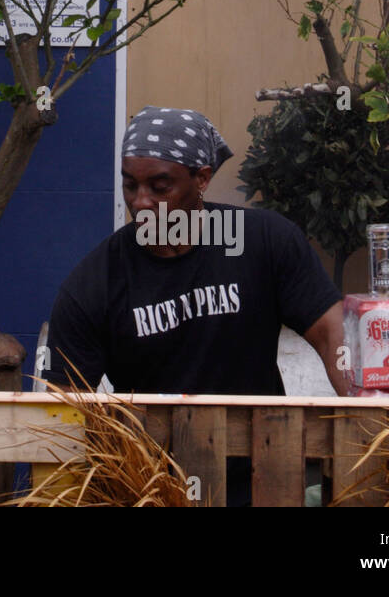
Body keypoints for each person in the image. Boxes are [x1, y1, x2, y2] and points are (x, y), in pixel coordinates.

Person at [44, 106, 348, 502]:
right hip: (153, 490)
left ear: (201, 178)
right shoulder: (94, 283)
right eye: (130, 185)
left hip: (266, 479)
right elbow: (64, 406)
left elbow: (332, 334)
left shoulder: (264, 242)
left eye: (159, 186)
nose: (141, 202)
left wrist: (366, 411)